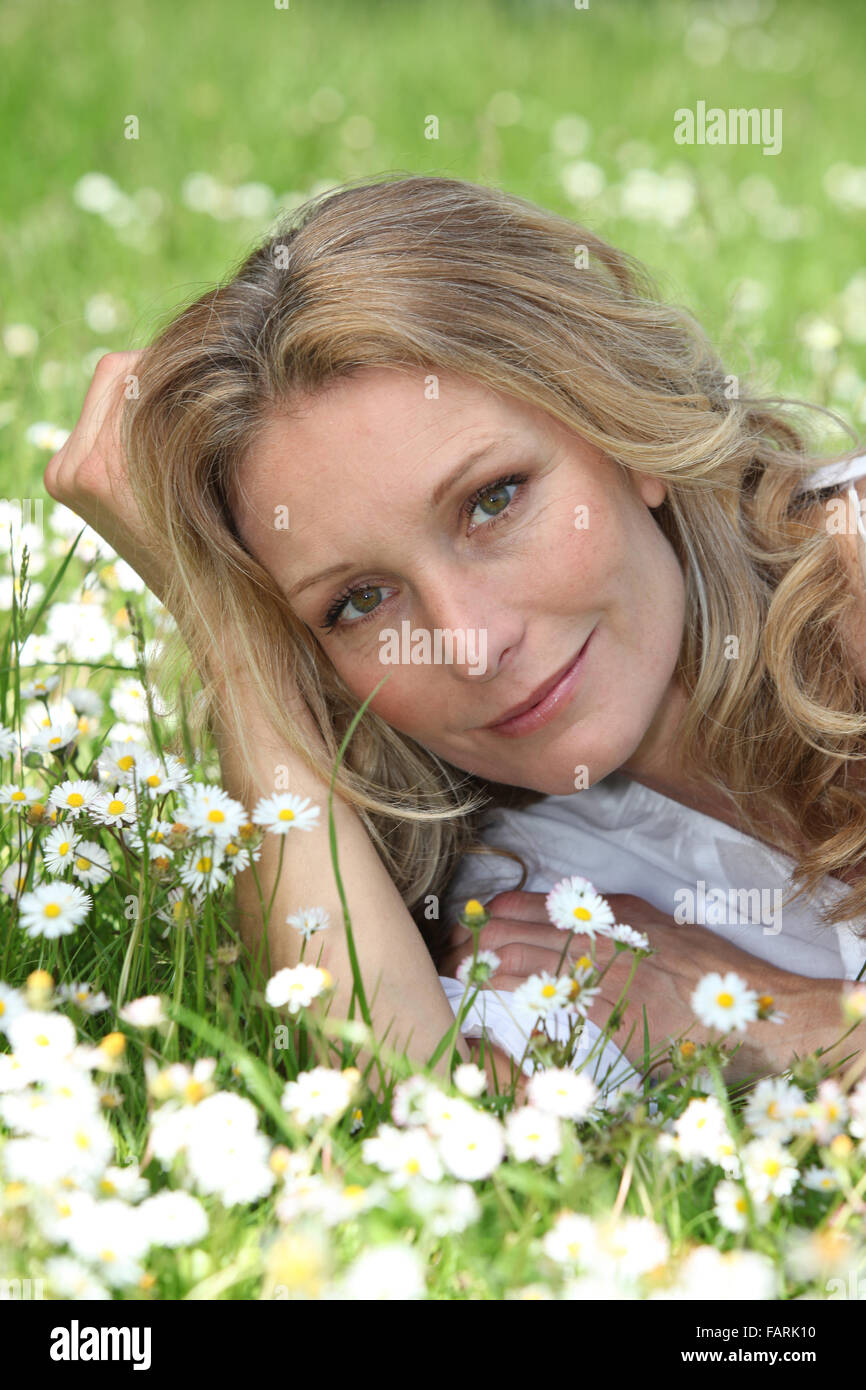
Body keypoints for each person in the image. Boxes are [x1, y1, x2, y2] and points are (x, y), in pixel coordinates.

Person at [43, 172, 866, 1099]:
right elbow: (411, 1117)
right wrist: (227, 634)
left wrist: (774, 1013)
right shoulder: (520, 869)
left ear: (620, 427)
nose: (469, 645)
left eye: (493, 501)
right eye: (356, 602)